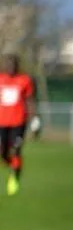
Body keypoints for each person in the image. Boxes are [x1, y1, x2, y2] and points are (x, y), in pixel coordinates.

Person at [0, 54, 36, 196]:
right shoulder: (1, 79)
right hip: (2, 122)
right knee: (2, 152)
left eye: (13, 64)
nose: (10, 67)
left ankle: (15, 177)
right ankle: (14, 165)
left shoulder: (24, 80)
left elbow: (30, 100)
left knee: (16, 150)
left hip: (18, 122)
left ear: (16, 66)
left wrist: (34, 120)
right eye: (8, 64)